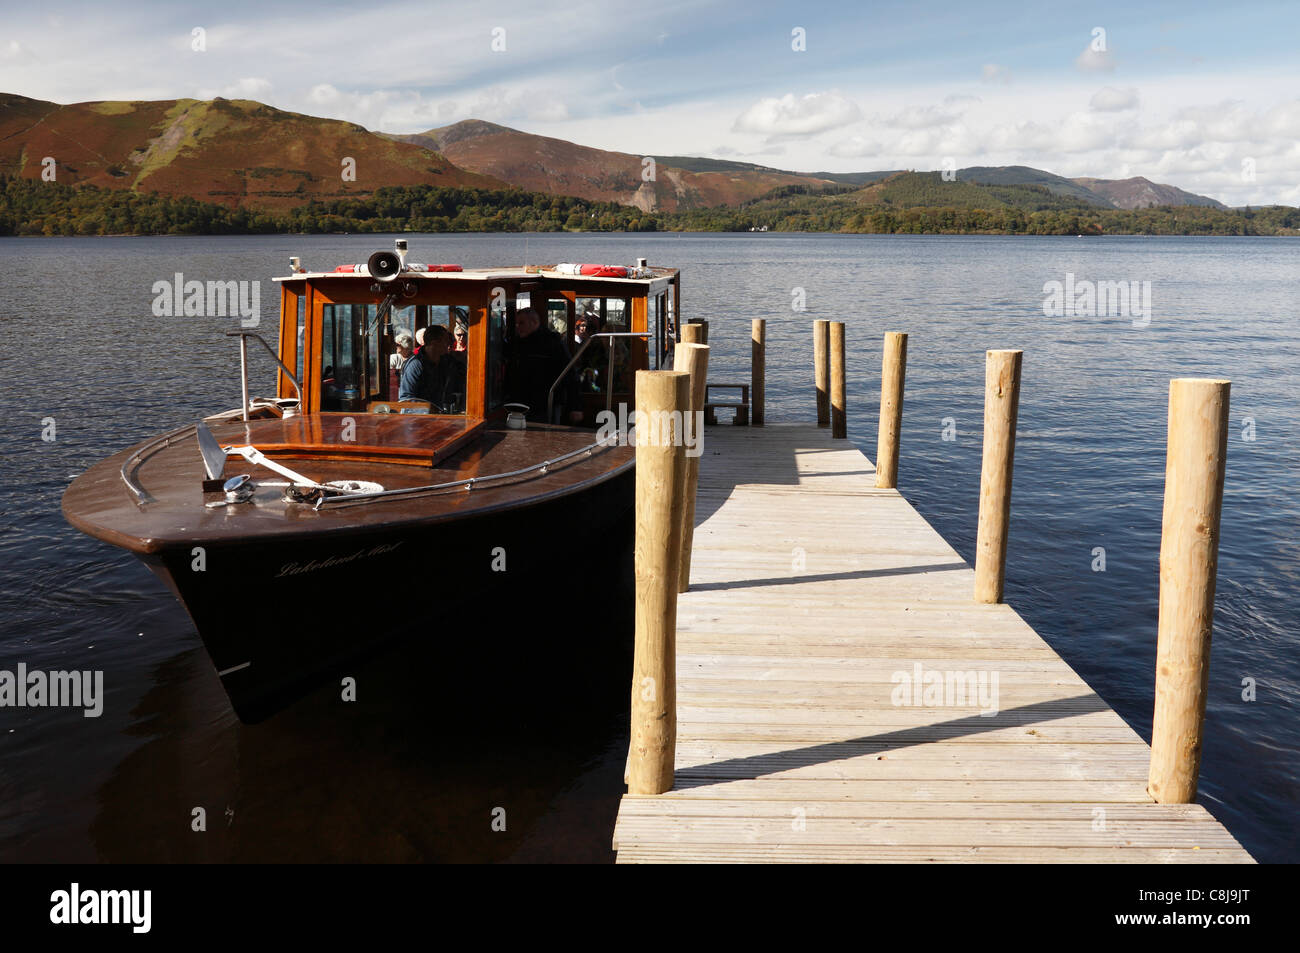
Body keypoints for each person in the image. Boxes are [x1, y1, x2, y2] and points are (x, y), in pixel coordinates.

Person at [505, 306, 575, 423]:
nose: (518, 327)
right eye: (516, 324)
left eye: (521, 323)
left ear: (534, 322)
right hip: (519, 401)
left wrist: (575, 406)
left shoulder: (552, 342)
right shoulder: (515, 344)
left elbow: (569, 373)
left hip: (545, 403)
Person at [400, 325, 464, 411]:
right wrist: (429, 409)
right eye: (446, 340)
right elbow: (405, 398)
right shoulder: (415, 365)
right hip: (418, 419)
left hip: (440, 415)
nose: (450, 343)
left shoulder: (446, 361)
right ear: (434, 343)